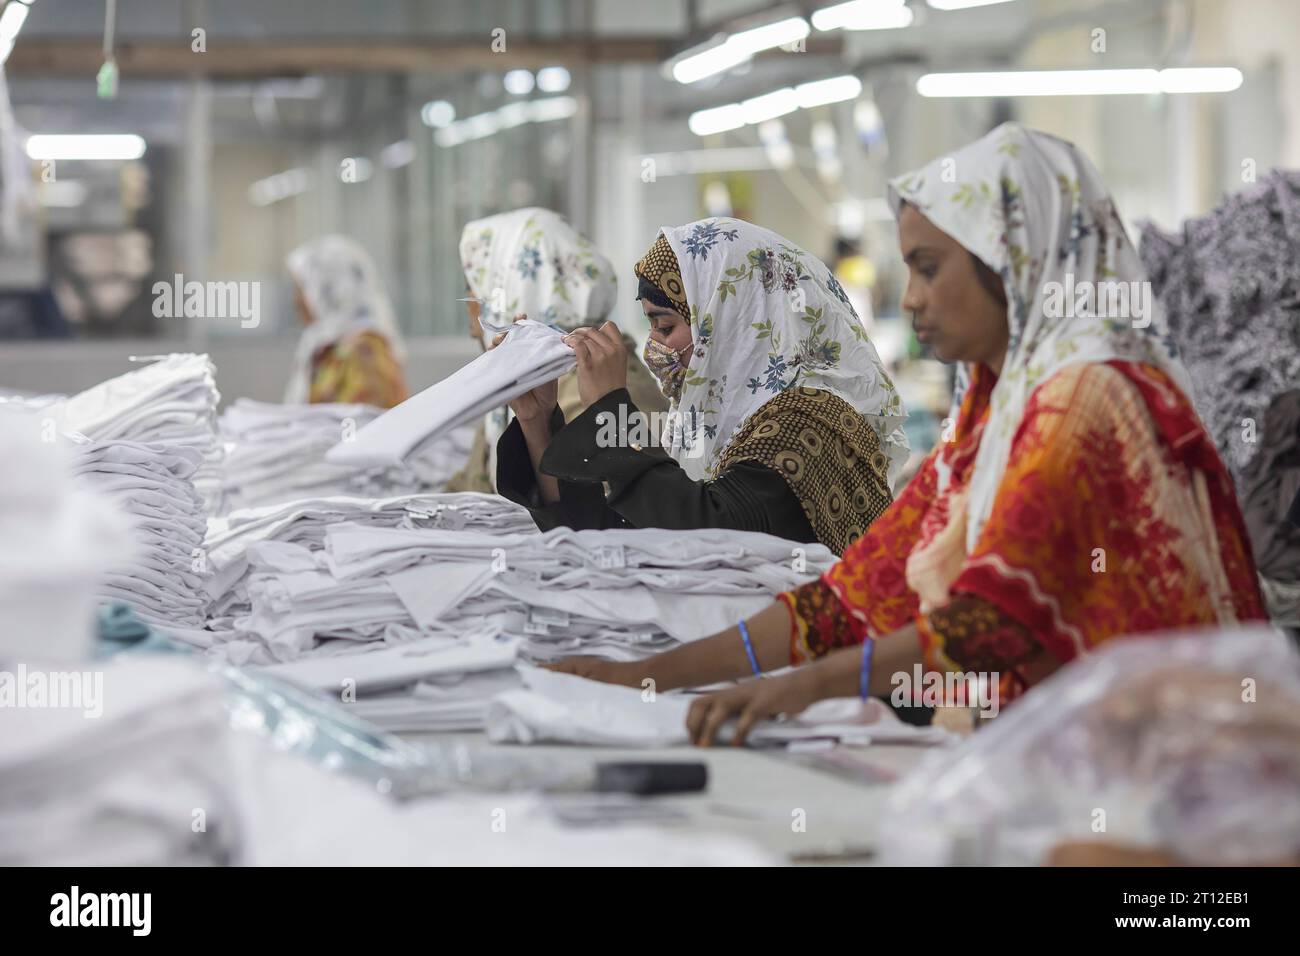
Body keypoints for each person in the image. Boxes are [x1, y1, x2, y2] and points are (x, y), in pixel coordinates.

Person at [553, 124, 1266, 745]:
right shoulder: (996, 408)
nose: (913, 299)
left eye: (928, 268)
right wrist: (647, 676)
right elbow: (852, 595)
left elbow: (994, 618)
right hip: (1071, 745)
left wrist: (797, 688)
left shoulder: (1089, 397)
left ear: (1013, 268)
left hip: (1165, 769)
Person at [495, 217, 908, 555]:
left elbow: (707, 539)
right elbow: (618, 535)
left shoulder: (808, 419)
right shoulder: (710, 420)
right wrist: (536, 423)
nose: (655, 344)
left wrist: (608, 406)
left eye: (666, 325)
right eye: (651, 326)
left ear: (731, 320)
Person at [444, 208, 665, 493]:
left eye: (474, 288)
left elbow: (611, 516)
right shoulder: (528, 385)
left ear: (515, 290)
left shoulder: (604, 389)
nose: (472, 317)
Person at [283, 235, 408, 408]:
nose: (295, 301)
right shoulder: (324, 348)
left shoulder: (364, 352)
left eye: (302, 288)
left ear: (329, 289)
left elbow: (368, 428)